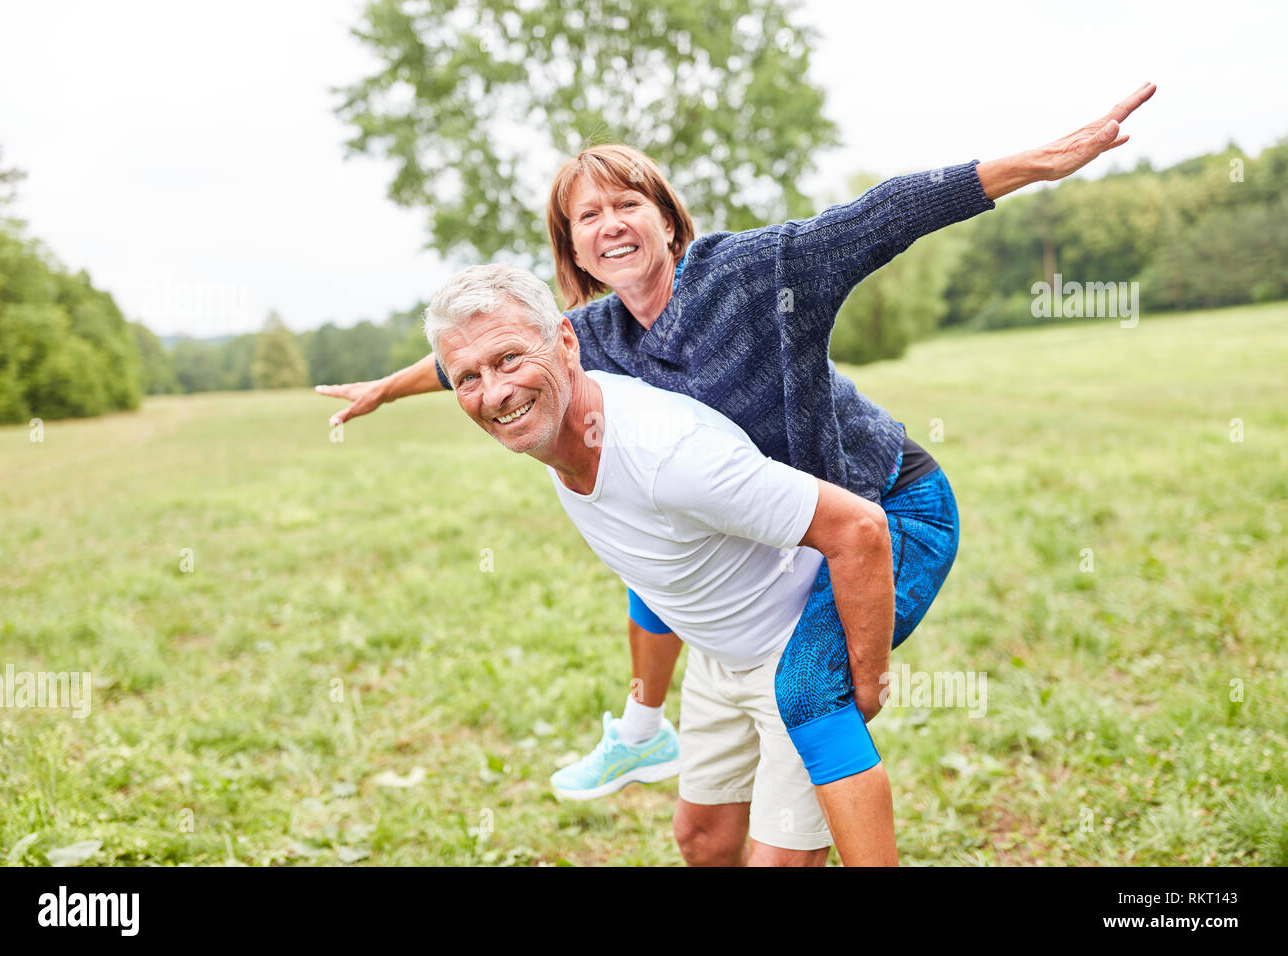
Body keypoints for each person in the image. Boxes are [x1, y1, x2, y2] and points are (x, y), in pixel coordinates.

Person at [318, 83, 1158, 799]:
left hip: (888, 511)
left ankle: (843, 722)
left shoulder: (759, 270)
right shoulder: (592, 333)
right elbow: (472, 356)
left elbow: (883, 213)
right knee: (652, 547)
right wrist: (385, 390)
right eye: (587, 215)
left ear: (665, 216)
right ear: (569, 246)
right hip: (789, 525)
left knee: (808, 694)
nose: (610, 224)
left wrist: (1032, 166)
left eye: (627, 203)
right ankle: (643, 731)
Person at [427, 261, 898, 865]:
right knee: (700, 841)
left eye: (510, 359)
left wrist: (864, 683)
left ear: (566, 342)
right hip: (717, 657)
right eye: (468, 377)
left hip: (791, 653)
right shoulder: (557, 436)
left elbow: (859, 529)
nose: (494, 393)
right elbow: (654, 574)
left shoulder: (667, 455)